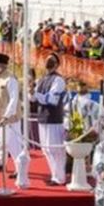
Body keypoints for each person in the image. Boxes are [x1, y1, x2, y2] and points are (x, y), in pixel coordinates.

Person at [0, 53, 28, 187]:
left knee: (12, 143)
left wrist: (7, 115)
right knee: (1, 142)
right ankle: (0, 162)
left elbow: (13, 99)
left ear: (2, 65)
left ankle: (19, 169)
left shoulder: (11, 79)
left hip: (10, 118)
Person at [34, 54, 68, 185]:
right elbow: (34, 98)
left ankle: (59, 177)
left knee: (55, 149)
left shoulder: (58, 80)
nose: (48, 62)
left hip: (54, 118)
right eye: (47, 59)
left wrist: (36, 94)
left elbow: (52, 100)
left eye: (51, 60)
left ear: (56, 64)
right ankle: (54, 174)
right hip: (42, 117)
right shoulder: (42, 79)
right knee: (46, 148)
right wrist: (31, 93)